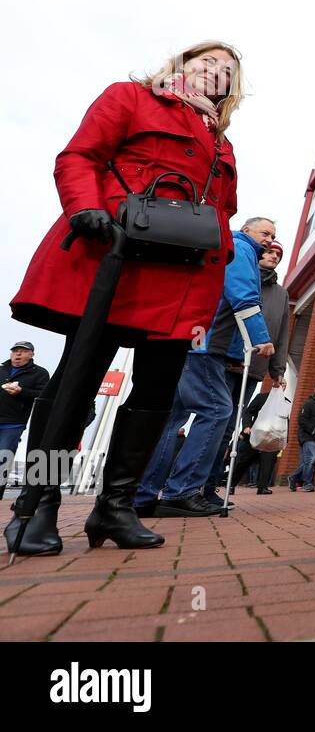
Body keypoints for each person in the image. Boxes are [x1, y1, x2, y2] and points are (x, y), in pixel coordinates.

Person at [7, 42, 246, 555]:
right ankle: (37, 502)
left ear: (231, 89)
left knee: (156, 395)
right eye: (206, 61)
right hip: (116, 256)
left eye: (226, 71)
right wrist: (84, 209)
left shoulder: (223, 145)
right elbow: (79, 157)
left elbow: (223, 211)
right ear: (182, 66)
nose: (215, 71)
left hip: (183, 280)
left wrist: (223, 255)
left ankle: (115, 507)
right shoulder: (130, 97)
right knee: (75, 383)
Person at [135, 217, 276, 517]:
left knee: (173, 418)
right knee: (216, 411)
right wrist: (260, 338)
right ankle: (181, 491)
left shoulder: (232, 247)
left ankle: (145, 494)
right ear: (248, 230)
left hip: (194, 340)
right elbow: (242, 296)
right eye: (265, 233)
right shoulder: (241, 248)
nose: (269, 239)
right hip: (206, 346)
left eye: (273, 235)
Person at [201, 232, 288, 504]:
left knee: (228, 428)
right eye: (270, 250)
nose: (273, 255)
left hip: (254, 367)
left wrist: (278, 369)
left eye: (278, 254)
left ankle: (209, 486)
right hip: (224, 358)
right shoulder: (240, 272)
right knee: (213, 421)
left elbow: (282, 332)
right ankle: (190, 484)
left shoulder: (281, 293)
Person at [0, 341, 50, 500]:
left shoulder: (40, 373)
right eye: (15, 351)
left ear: (31, 354)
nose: (18, 354)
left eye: (22, 351)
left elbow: (43, 394)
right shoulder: (1, 369)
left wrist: (21, 391)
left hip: (14, 422)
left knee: (3, 457)